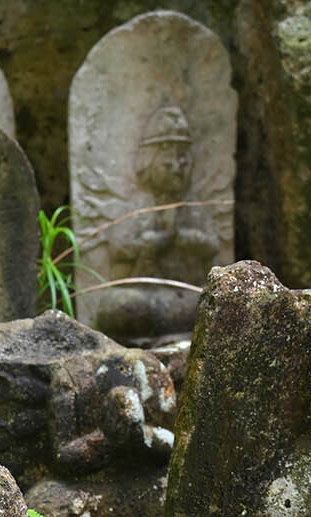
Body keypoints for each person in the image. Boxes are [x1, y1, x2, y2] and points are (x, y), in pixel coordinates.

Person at [90, 105, 220, 344]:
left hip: (184, 295)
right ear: (149, 163)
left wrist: (188, 238)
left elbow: (212, 244)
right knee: (119, 305)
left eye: (182, 163)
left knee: (208, 304)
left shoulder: (194, 208)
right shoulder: (138, 206)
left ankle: (179, 335)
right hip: (144, 295)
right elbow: (119, 247)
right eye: (167, 164)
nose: (177, 170)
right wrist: (149, 243)